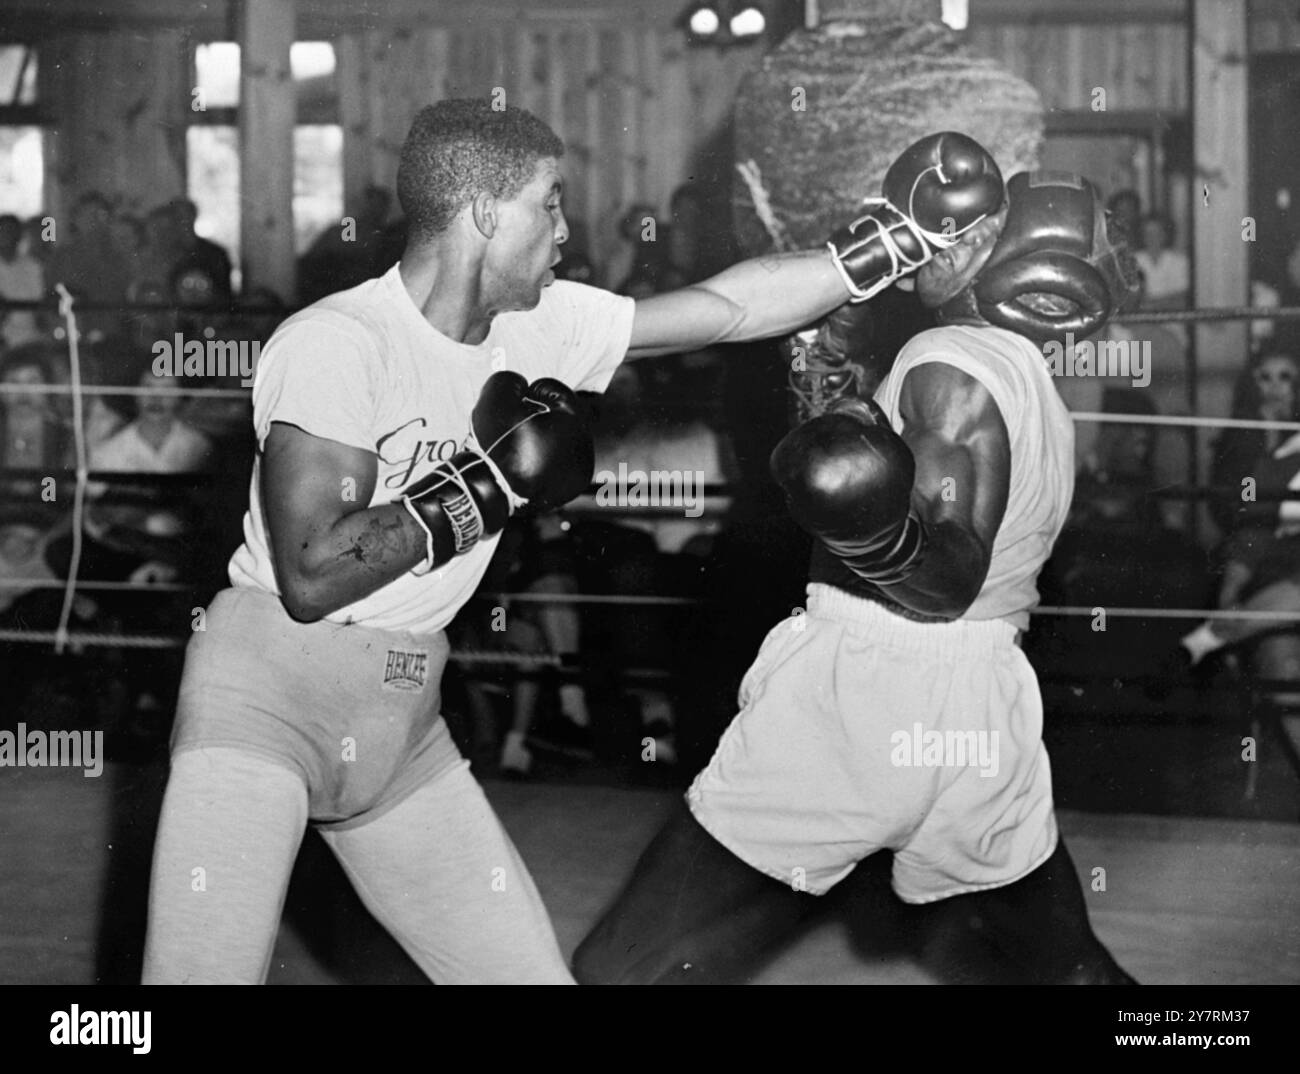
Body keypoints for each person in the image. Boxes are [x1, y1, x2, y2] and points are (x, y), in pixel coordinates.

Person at [139, 100, 1002, 984]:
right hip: (266, 704)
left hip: (402, 724)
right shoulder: (337, 342)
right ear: (483, 213)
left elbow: (725, 308)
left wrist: (891, 242)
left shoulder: (543, 326)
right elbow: (313, 574)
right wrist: (489, 483)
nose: (565, 228)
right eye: (548, 203)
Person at [574, 170, 1140, 985]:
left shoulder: (949, 361)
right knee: (1067, 968)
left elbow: (945, 576)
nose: (944, 246)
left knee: (621, 967)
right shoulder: (1030, 377)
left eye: (975, 233)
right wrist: (826, 370)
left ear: (1014, 257)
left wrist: (874, 532)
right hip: (984, 706)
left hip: (870, 691)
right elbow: (898, 484)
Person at [0, 212, 45, 349]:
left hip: (31, 340)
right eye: (3, 231)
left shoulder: (33, 267)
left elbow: (39, 307)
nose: (8, 236)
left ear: (19, 235)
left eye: (12, 231)